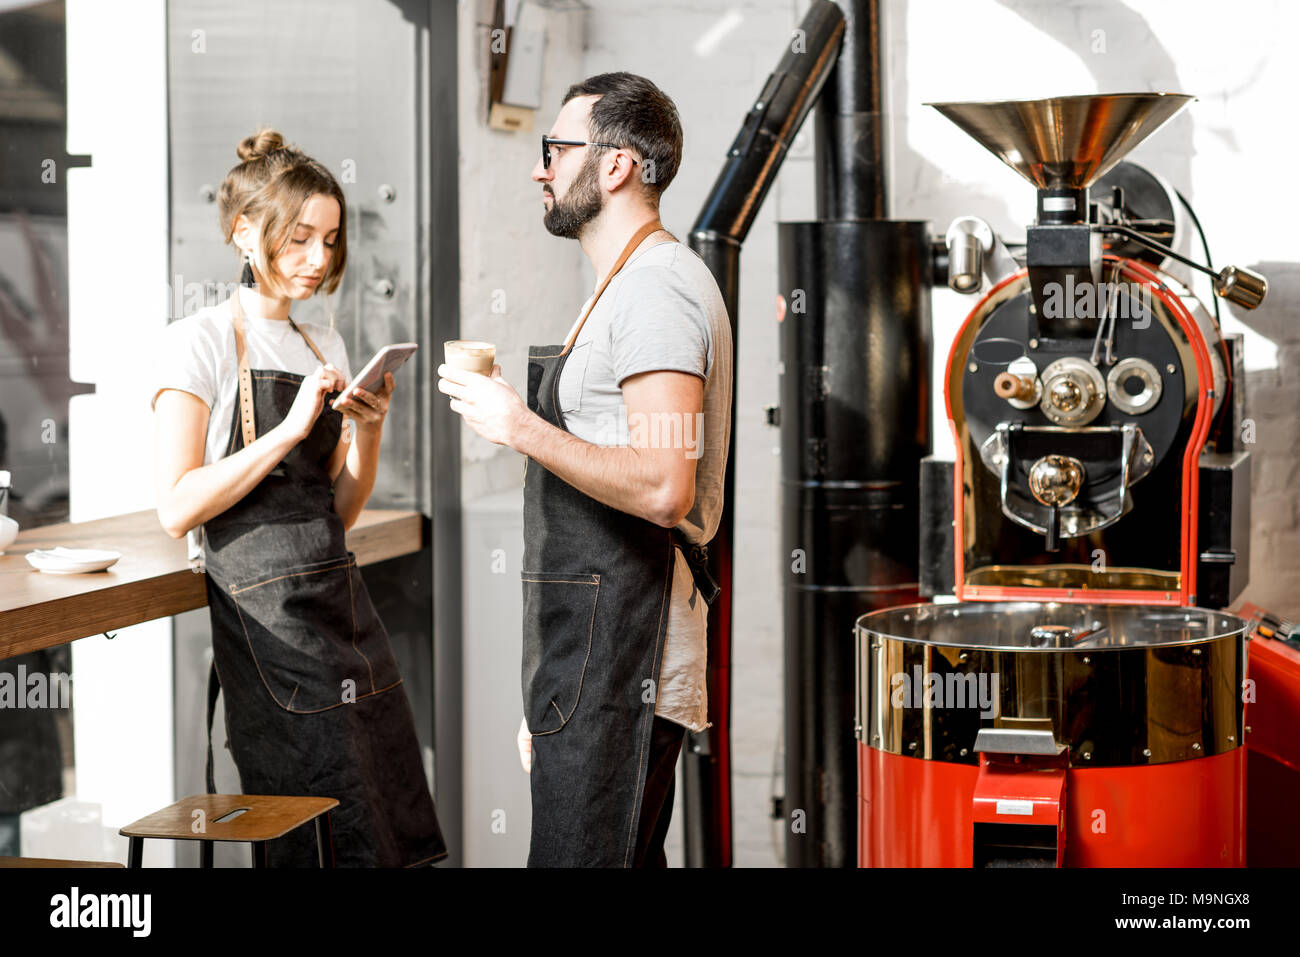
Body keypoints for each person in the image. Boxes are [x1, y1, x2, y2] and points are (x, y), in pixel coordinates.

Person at [438, 73, 733, 867]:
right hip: (592, 657)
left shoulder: (655, 293)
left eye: (556, 150)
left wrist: (520, 426)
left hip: (625, 656)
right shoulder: (623, 286)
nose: (541, 169)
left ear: (614, 167)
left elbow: (666, 486)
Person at [151, 129, 446, 867]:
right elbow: (177, 505)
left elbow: (336, 512)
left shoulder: (326, 346)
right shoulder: (198, 342)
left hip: (343, 608)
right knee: (314, 833)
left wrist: (370, 431)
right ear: (244, 232)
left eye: (331, 239)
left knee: (383, 813)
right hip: (271, 633)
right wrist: (286, 432)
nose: (318, 259)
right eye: (300, 237)